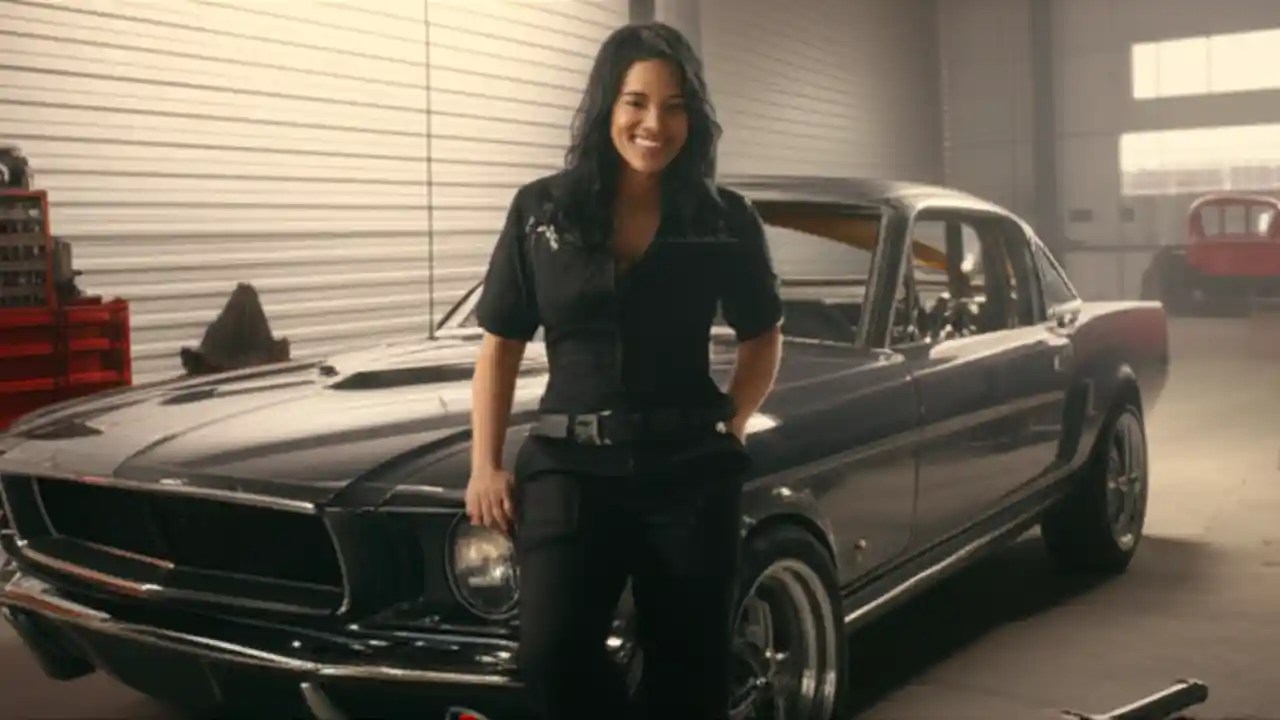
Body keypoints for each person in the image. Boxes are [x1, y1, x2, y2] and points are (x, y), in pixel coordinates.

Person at [465, 21, 784, 720]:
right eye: (636, 102)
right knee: (549, 658)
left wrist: (731, 420)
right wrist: (484, 464)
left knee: (691, 672)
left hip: (689, 471)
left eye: (674, 107)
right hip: (569, 469)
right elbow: (500, 346)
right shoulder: (541, 212)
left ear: (692, 119)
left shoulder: (724, 220)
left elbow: (763, 335)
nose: (653, 124)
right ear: (607, 105)